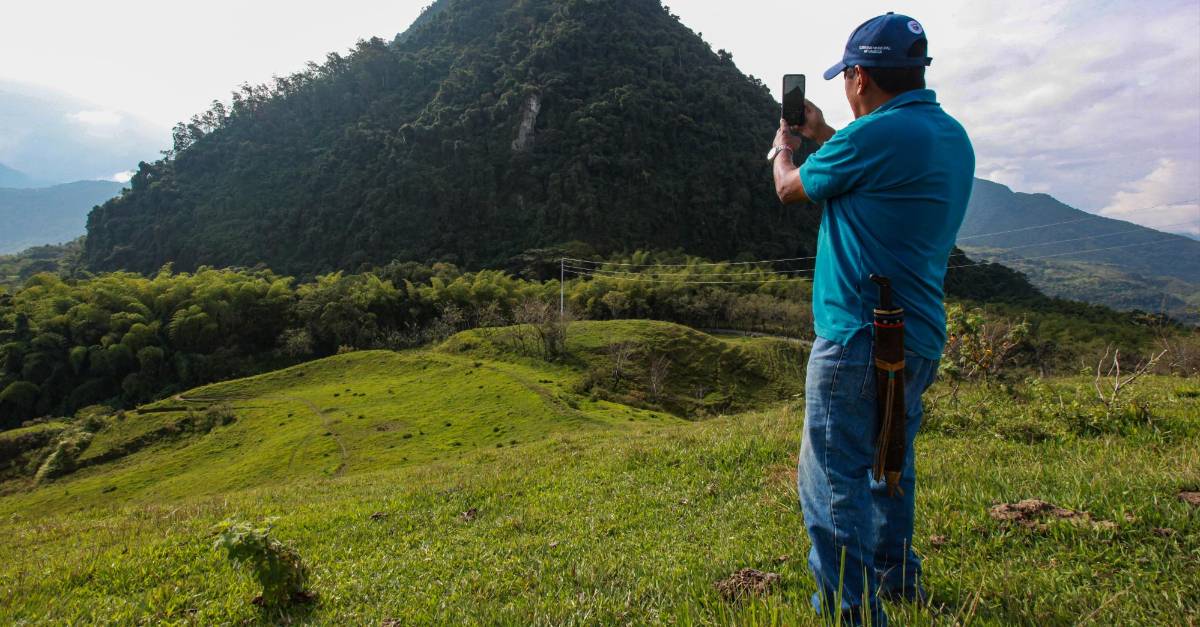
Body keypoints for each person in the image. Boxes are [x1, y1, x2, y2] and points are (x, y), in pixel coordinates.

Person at [766, 12, 975, 626]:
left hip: (856, 334)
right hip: (916, 333)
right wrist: (826, 130)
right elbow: (868, 165)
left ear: (859, 76)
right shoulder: (946, 133)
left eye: (845, 78)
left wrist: (784, 148)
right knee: (889, 464)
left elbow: (791, 189)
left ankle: (850, 613)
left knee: (832, 479)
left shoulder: (874, 137)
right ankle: (896, 581)